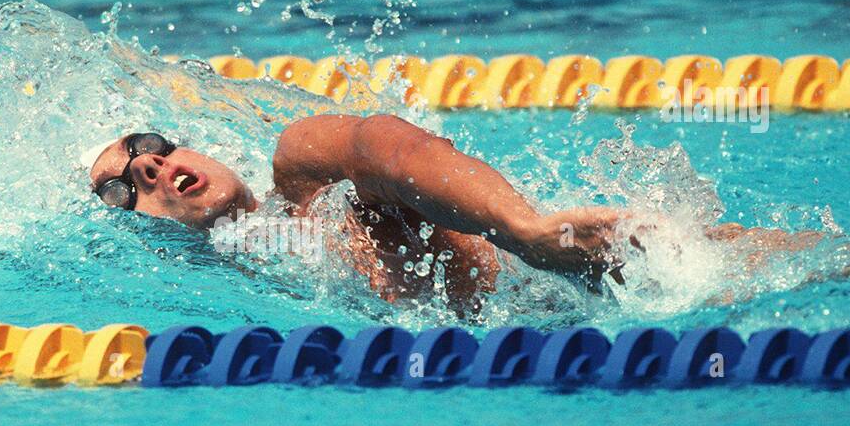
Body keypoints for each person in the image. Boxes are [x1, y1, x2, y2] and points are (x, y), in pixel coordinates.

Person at [83, 112, 650, 309]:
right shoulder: (250, 284)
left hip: (626, 267)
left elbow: (381, 144)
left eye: (146, 145)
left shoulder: (303, 177)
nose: (145, 168)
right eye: (119, 191)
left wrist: (523, 231)